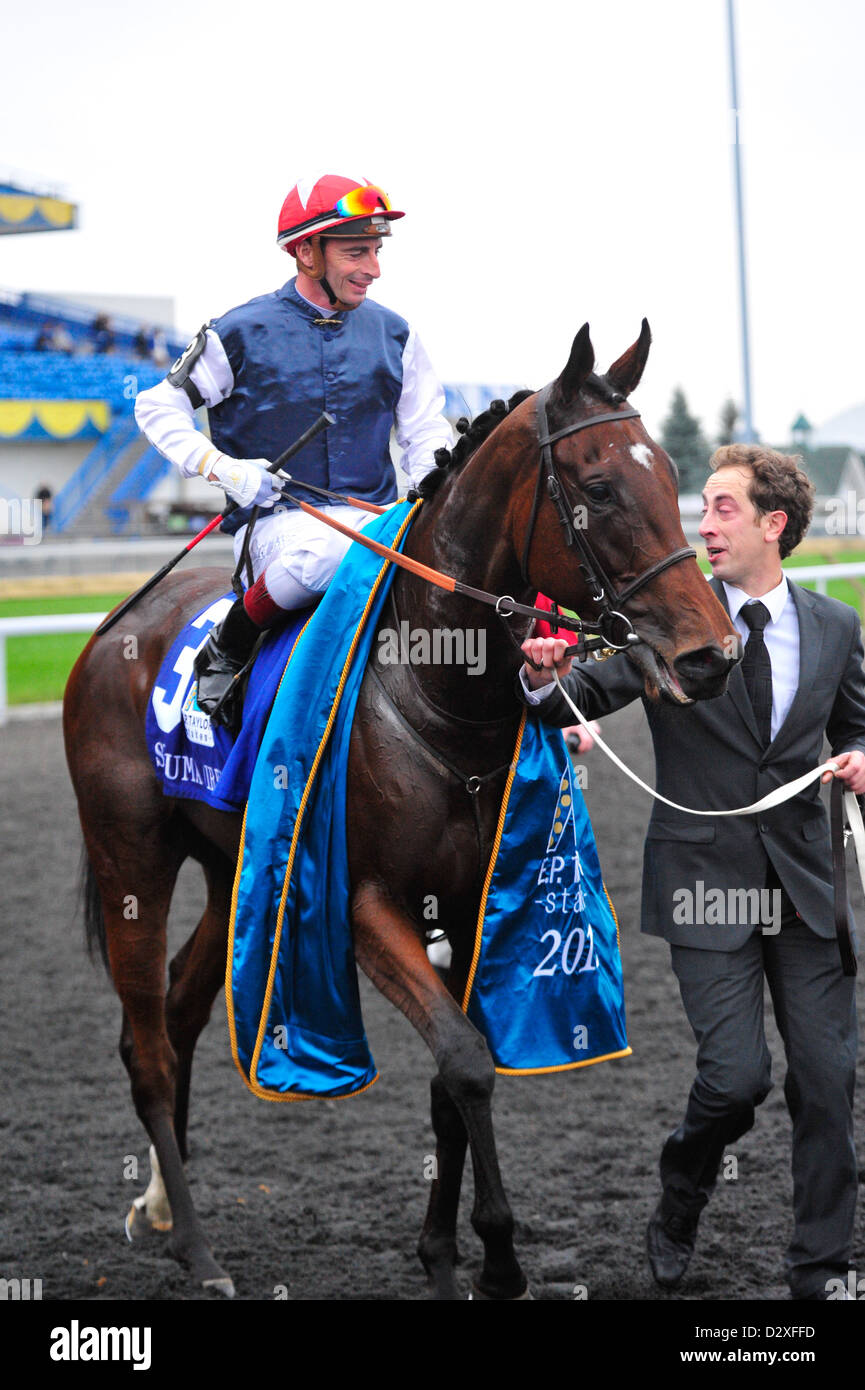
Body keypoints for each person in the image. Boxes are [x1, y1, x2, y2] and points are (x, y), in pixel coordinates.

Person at [518, 444, 865, 1301]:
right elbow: (585, 695)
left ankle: (818, 1271)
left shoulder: (834, 626)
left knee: (827, 1086)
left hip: (808, 889)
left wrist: (859, 757)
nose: (699, 525)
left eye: (719, 509)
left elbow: (857, 725)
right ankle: (681, 1192)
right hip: (703, 886)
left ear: (771, 525)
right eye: (699, 508)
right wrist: (540, 677)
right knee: (736, 1078)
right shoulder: (666, 620)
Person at [134, 173, 452, 725]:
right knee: (338, 553)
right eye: (356, 252)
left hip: (378, 523)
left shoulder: (399, 335)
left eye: (376, 251)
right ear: (306, 251)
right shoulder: (238, 331)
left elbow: (427, 433)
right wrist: (223, 469)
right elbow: (156, 407)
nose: (373, 269)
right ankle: (230, 643)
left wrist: (428, 491)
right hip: (277, 530)